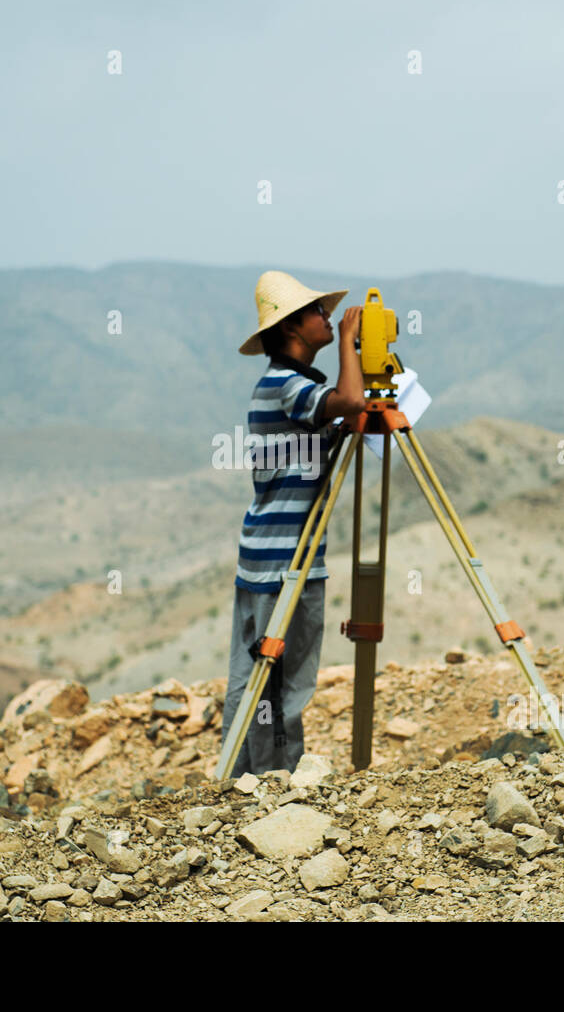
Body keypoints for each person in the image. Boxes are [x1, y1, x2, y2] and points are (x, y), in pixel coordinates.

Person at [222, 270, 365, 776]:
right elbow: (350, 402)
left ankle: (238, 780)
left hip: (270, 556)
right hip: (284, 563)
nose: (328, 318)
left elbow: (340, 414)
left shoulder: (292, 388)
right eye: (318, 313)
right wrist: (350, 343)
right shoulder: (286, 385)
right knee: (279, 683)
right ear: (291, 328)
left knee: (256, 678)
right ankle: (270, 783)